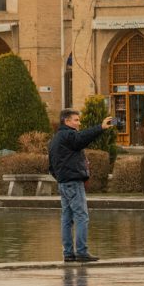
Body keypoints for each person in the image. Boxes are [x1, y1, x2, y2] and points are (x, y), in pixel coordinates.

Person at [48, 108, 114, 263]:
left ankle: (68, 253)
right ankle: (82, 252)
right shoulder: (68, 135)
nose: (79, 123)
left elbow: (51, 165)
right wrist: (101, 127)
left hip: (63, 183)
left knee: (67, 218)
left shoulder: (56, 138)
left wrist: (60, 177)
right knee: (81, 216)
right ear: (67, 121)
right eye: (76, 120)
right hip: (72, 182)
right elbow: (81, 138)